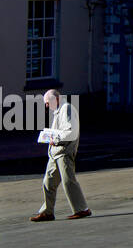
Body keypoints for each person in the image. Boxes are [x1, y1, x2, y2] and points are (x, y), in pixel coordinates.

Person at [29, 90, 90, 222]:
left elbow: (70, 132)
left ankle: (82, 209)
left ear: (55, 99)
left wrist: (55, 139)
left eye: (47, 103)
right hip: (55, 152)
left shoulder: (66, 108)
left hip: (64, 151)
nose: (46, 106)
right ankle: (47, 212)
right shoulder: (58, 110)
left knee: (68, 181)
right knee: (48, 182)